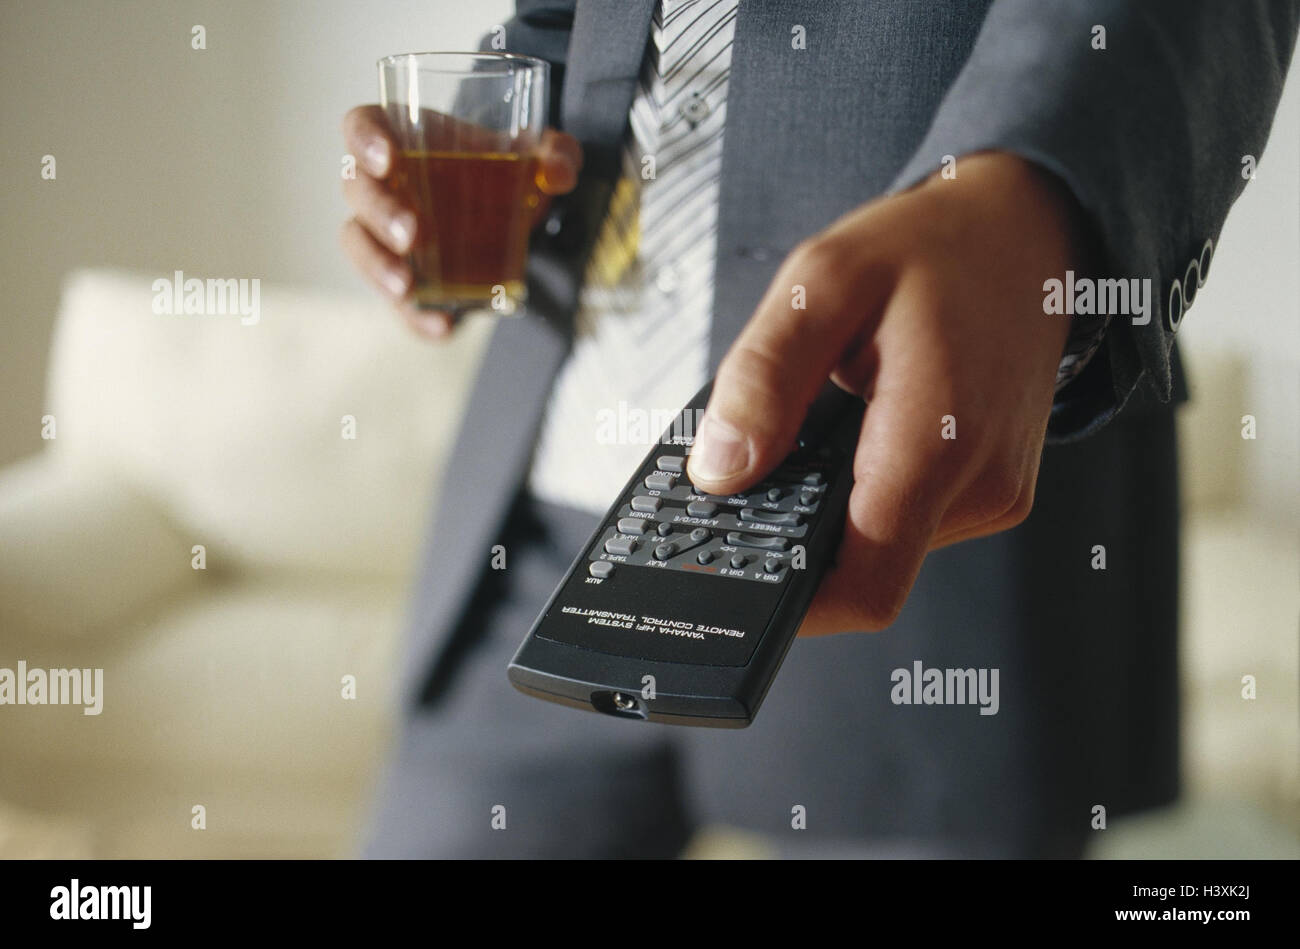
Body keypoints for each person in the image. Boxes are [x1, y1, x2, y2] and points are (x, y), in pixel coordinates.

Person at [341, 0, 1299, 857]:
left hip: (910, 507)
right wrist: (483, 135)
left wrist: (1031, 182)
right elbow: (567, 23)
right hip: (552, 508)